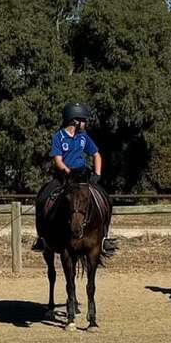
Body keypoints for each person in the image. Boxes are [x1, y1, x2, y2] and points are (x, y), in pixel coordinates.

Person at [32, 102, 118, 255]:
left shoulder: (83, 137)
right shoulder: (59, 137)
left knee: (106, 199)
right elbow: (57, 160)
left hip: (82, 176)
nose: (85, 123)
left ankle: (104, 238)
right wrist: (67, 171)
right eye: (83, 120)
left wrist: (97, 174)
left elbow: (96, 154)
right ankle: (42, 238)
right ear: (74, 120)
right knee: (44, 196)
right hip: (64, 176)